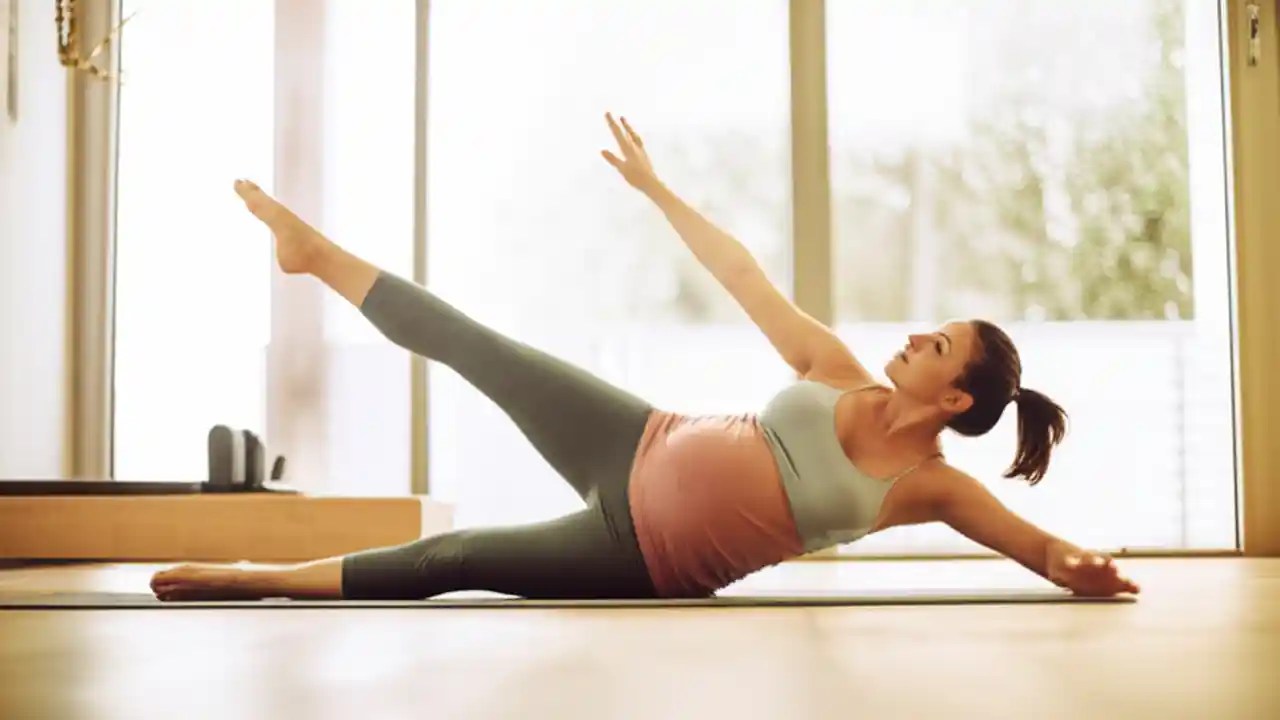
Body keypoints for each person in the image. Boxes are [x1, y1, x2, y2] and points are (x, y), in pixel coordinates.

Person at [151, 113, 1140, 602]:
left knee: (453, 560)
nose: (917, 336)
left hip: (642, 556)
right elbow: (745, 276)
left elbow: (1032, 546)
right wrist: (659, 192)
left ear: (956, 395)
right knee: (479, 346)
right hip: (635, 435)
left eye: (938, 346)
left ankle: (254, 578)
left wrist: (1079, 566)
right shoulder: (835, 366)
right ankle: (313, 254)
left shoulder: (927, 485)